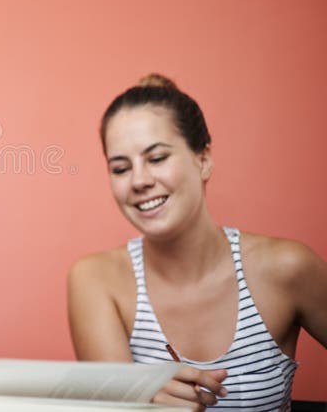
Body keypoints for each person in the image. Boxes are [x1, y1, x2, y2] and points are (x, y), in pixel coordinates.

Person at [67, 74, 327, 411]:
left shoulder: (287, 267)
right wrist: (138, 398)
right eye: (120, 168)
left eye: (157, 158)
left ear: (203, 159)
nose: (140, 180)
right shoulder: (94, 279)